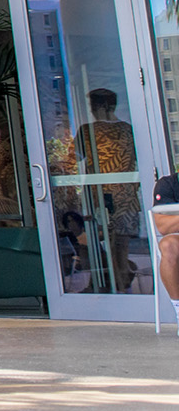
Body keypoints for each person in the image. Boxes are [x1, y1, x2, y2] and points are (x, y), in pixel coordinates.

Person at [78, 88, 145, 292]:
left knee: (95, 240)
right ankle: (121, 282)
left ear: (101, 107)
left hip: (103, 196)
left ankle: (110, 281)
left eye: (92, 106)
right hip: (125, 196)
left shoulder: (87, 131)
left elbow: (79, 156)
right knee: (120, 244)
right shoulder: (128, 129)